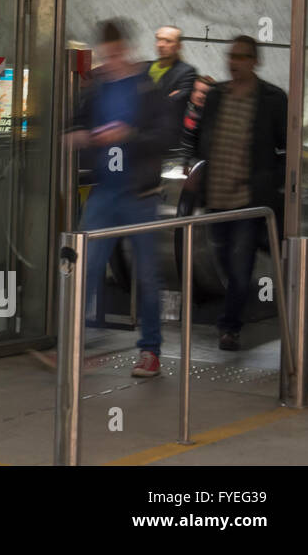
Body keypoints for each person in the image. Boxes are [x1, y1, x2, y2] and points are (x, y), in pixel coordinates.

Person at [69, 19, 179, 377]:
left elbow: (166, 137)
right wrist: (80, 136)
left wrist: (127, 135)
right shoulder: (98, 87)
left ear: (126, 50)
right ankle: (75, 344)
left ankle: (150, 351)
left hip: (140, 194)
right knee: (85, 267)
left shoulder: (147, 88)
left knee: (147, 275)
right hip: (105, 191)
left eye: (116, 55)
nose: (111, 62)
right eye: (107, 56)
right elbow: (77, 122)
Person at [194, 35, 286, 351]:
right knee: (223, 258)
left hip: (248, 199)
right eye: (232, 56)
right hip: (216, 195)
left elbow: (286, 146)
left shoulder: (272, 98)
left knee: (240, 263)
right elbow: (202, 137)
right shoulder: (216, 95)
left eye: (242, 57)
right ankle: (233, 310)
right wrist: (196, 169)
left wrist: (271, 181)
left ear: (255, 61)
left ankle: (229, 326)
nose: (235, 62)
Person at [146, 25, 198, 130]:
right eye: (159, 39)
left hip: (165, 133)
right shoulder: (145, 67)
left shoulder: (187, 72)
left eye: (168, 41)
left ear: (179, 46)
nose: (161, 45)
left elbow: (175, 103)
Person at [180, 74, 215, 167]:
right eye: (194, 90)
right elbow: (187, 141)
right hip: (195, 162)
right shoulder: (191, 114)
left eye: (204, 93)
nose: (198, 95)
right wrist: (186, 163)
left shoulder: (217, 113)